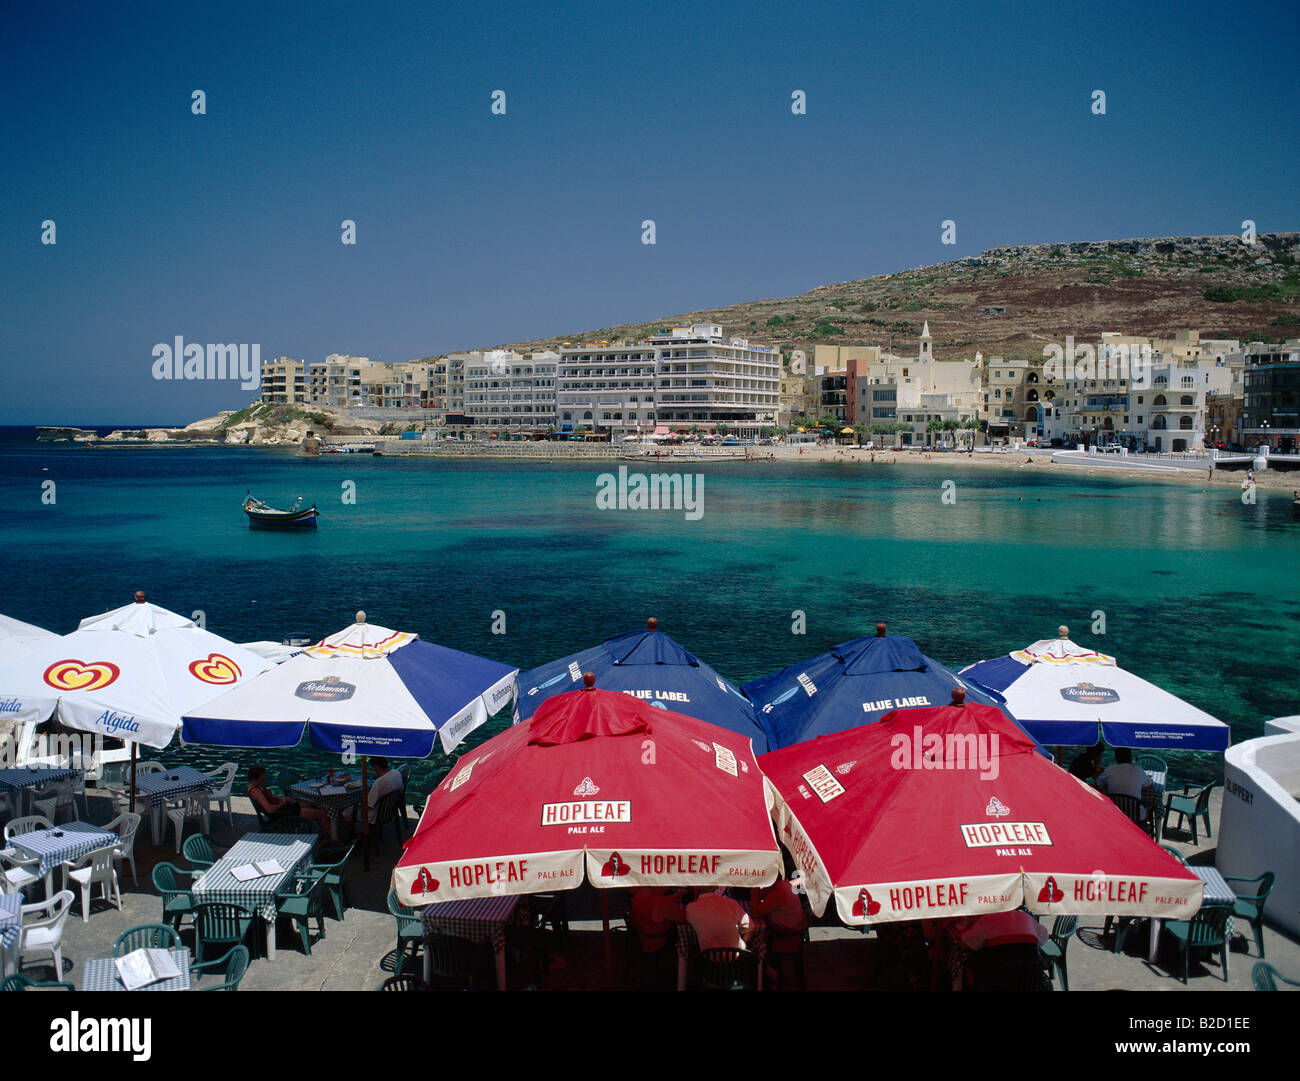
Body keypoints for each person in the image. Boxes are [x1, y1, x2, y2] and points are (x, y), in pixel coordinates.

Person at [247, 765, 331, 831]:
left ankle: (320, 829)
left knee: (309, 804)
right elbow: (270, 809)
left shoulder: (258, 786)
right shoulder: (256, 791)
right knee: (321, 813)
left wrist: (279, 799)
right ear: (254, 779)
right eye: (262, 778)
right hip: (282, 814)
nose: (264, 780)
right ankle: (333, 840)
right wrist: (283, 803)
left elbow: (270, 799)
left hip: (283, 809)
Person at [686, 887, 752, 952]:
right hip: (737, 957)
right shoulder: (730, 903)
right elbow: (750, 928)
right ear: (717, 887)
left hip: (708, 959)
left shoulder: (690, 908)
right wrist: (742, 947)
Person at [628, 886, 688, 953]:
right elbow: (684, 918)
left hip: (644, 940)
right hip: (660, 944)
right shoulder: (660, 904)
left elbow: (660, 899)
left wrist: (678, 895)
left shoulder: (642, 893)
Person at [1097, 747, 1153, 817]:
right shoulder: (1138, 770)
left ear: (1116, 757)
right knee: (1150, 807)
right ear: (1130, 757)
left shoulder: (1110, 769)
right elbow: (1150, 785)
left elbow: (1099, 783)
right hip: (1135, 814)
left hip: (1114, 812)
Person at [363, 757, 404, 824]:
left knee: (346, 811)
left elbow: (369, 804)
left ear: (377, 767)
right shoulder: (396, 773)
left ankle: (353, 833)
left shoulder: (380, 782)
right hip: (391, 810)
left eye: (373, 767)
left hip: (376, 814)